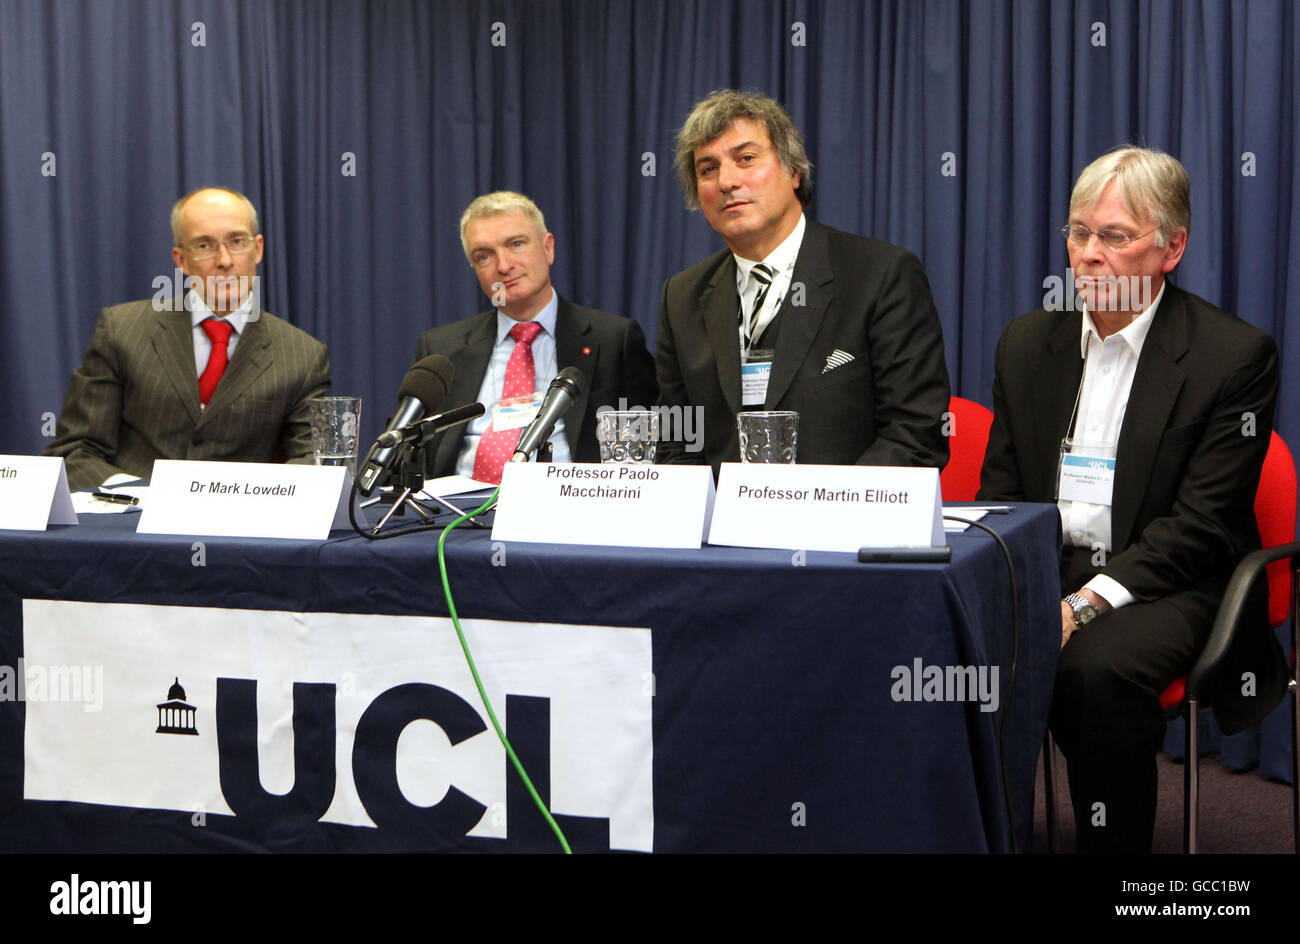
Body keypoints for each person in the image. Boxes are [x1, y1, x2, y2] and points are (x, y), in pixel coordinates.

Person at [977, 146, 1289, 852]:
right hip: (1054, 567)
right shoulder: (1028, 344)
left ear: (1171, 247)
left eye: (1114, 237)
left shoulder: (1232, 355)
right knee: (942, 636)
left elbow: (1203, 526)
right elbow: (1001, 494)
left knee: (1094, 668)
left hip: (1172, 581)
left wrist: (1083, 606)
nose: (1089, 255)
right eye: (1079, 233)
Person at [655, 89, 950, 472]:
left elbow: (915, 434)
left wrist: (822, 515)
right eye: (707, 169)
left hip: (847, 523)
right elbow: (677, 445)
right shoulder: (681, 298)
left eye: (745, 159)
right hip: (723, 529)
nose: (726, 181)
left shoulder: (881, 276)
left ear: (793, 170)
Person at [46, 187, 330, 491]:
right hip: (133, 525)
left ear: (257, 249)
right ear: (181, 260)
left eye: (236, 241)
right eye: (204, 245)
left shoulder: (303, 355)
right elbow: (74, 453)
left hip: (236, 528)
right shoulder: (122, 331)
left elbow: (314, 464)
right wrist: (142, 494)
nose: (224, 260)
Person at [413, 191, 657, 483]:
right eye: (484, 255)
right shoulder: (442, 349)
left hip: (569, 511)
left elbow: (651, 444)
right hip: (460, 515)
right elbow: (412, 452)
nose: (503, 265)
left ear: (548, 248)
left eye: (516, 244)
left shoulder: (614, 339)